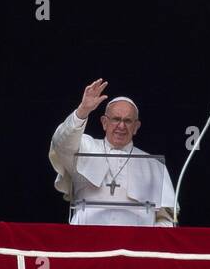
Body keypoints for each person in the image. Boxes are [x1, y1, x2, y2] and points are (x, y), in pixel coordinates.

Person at [49, 79, 176, 226]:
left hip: (135, 245)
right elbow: (60, 143)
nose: (121, 126)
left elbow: (166, 219)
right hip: (86, 239)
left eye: (128, 121)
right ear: (104, 122)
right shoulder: (84, 147)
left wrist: (148, 242)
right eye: (116, 119)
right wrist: (82, 111)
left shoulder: (153, 165)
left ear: (136, 127)